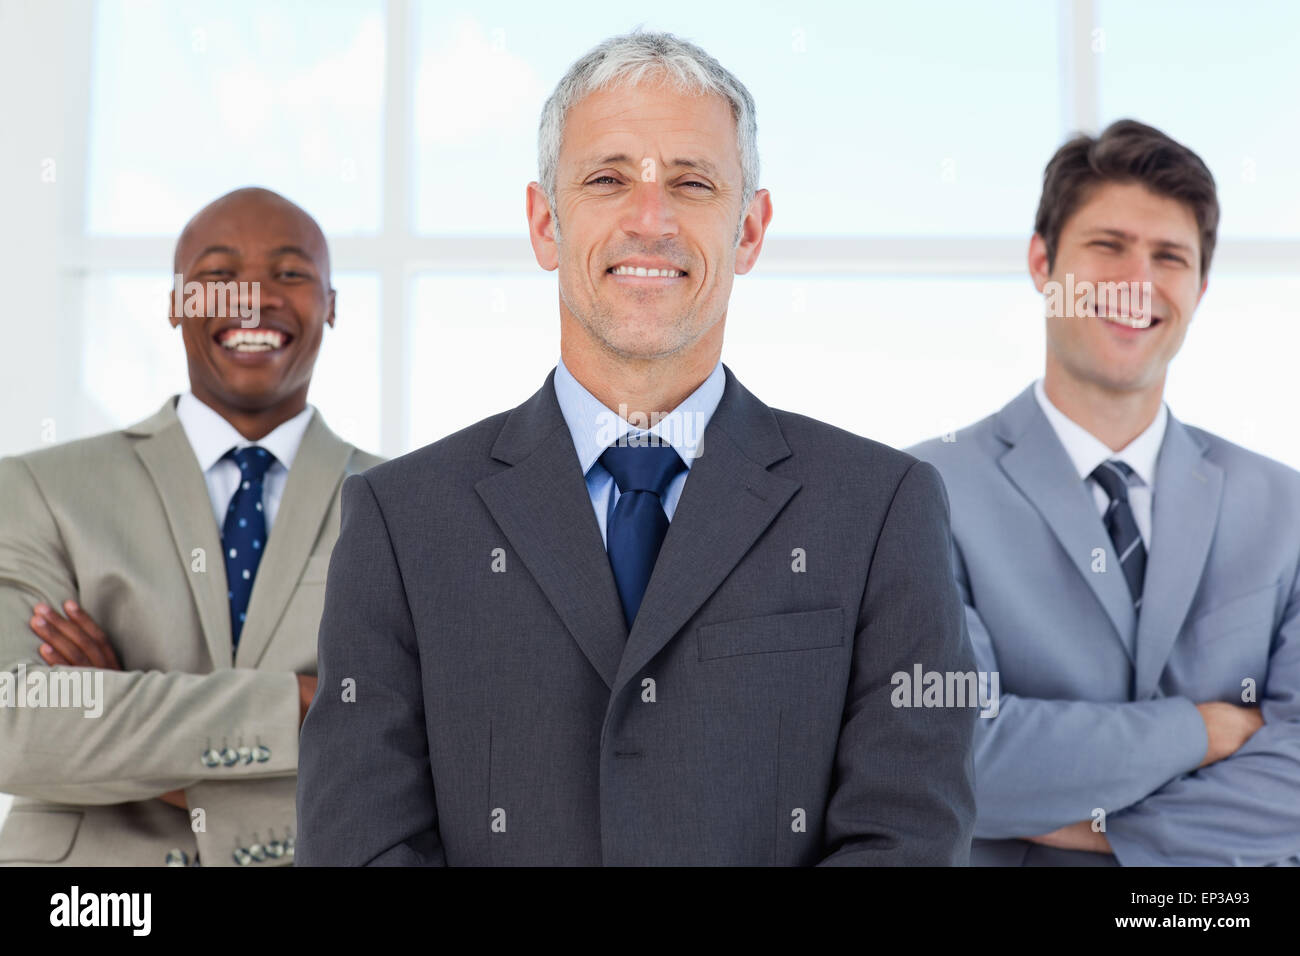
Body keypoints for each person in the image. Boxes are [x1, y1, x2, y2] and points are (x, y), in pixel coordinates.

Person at [297, 30, 975, 866]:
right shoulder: (400, 521)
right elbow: (358, 845)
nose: (650, 220)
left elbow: (906, 836)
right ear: (546, 223)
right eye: (608, 179)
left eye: (692, 183)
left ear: (750, 231)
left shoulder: (881, 509)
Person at [910, 119, 1300, 866]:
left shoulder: (1287, 510)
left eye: (1169, 256)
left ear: (1200, 288)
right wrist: (1203, 729)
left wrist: (1101, 831)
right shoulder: (923, 492)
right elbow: (954, 754)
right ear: (1040, 262)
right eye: (1107, 246)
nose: (1136, 281)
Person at [0, 187, 382, 866]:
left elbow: (426, 749)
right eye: (219, 275)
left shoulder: (411, 507)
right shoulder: (35, 490)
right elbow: (17, 727)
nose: (253, 297)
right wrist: (295, 706)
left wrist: (118, 713)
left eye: (291, 273)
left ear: (331, 304)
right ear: (177, 303)